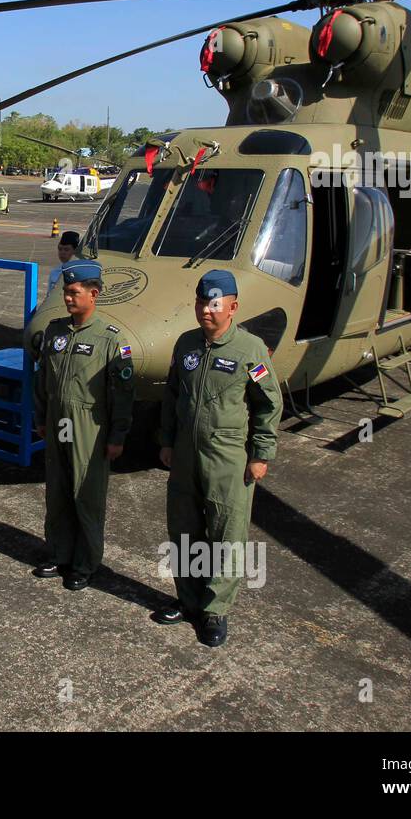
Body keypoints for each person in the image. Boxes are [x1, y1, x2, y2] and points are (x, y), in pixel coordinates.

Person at [156, 269, 282, 647]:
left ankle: (215, 610)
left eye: (213, 303)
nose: (205, 310)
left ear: (233, 307)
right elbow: (173, 396)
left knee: (226, 534)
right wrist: (166, 441)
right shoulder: (187, 345)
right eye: (200, 302)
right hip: (185, 455)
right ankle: (188, 599)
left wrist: (261, 453)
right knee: (184, 528)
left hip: (227, 457)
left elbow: (269, 404)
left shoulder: (251, 350)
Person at [28, 260, 135, 591]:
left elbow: (122, 394)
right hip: (58, 421)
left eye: (74, 292)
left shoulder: (111, 340)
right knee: (58, 489)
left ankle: (86, 563)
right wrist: (40, 417)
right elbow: (43, 378)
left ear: (94, 294)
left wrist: (117, 435)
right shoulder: (56, 332)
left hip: (90, 426)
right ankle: (59, 552)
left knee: (85, 495)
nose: (68, 298)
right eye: (66, 292)